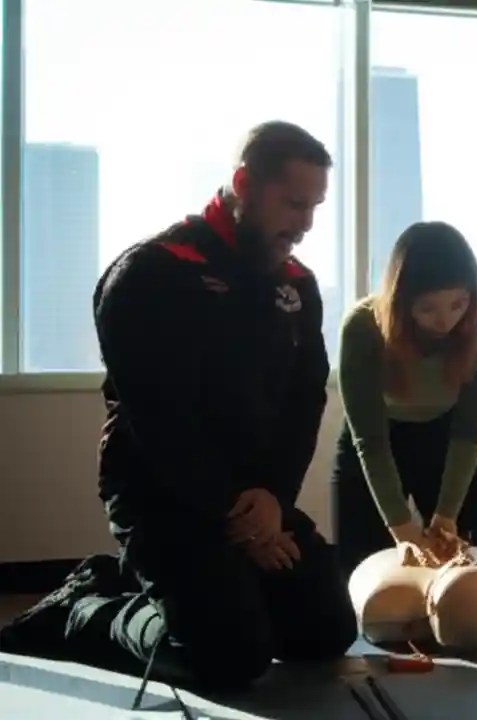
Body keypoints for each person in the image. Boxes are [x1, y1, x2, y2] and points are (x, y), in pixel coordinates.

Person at [0, 121, 357, 691]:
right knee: (229, 658)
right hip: (163, 496)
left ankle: (184, 587)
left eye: (314, 207)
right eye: (293, 204)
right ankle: (84, 610)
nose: (305, 224)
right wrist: (242, 523)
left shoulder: (297, 285)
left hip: (256, 499)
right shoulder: (150, 275)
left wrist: (271, 500)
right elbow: (162, 424)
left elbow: (304, 401)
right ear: (243, 183)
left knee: (325, 632)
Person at [331, 221, 477, 578]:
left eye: (458, 304)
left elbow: (470, 428)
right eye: (427, 308)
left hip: (447, 437)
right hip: (375, 440)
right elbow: (370, 440)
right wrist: (404, 532)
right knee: (363, 574)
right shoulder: (363, 327)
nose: (445, 320)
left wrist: (445, 518)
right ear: (400, 301)